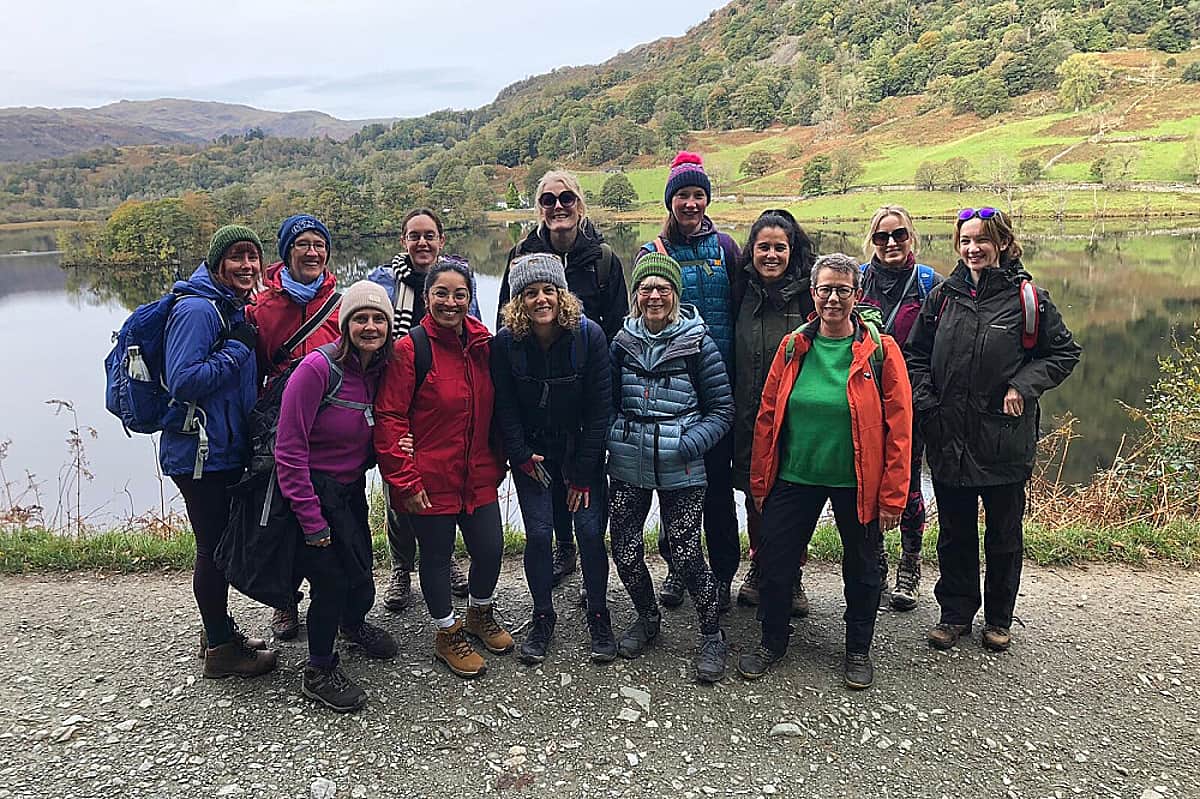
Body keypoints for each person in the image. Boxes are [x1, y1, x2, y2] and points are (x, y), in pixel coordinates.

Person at [907, 207, 1080, 653]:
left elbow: (1062, 354)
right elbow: (914, 355)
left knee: (1003, 536)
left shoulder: (1029, 299)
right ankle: (955, 613)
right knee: (954, 534)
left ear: (1002, 242)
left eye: (981, 239)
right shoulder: (944, 296)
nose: (972, 248)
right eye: (965, 240)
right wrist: (928, 404)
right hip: (948, 437)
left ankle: (999, 618)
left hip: (1003, 438)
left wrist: (1022, 385)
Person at [739, 253, 913, 689]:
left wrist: (893, 496)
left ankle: (858, 649)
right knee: (775, 562)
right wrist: (760, 480)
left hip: (858, 479)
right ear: (813, 294)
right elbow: (767, 416)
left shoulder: (880, 350)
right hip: (796, 474)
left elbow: (900, 427)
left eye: (842, 289)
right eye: (824, 289)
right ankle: (772, 641)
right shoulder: (794, 345)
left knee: (863, 567)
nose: (833, 298)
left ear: (856, 294)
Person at [374, 259, 512, 679]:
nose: (451, 303)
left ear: (470, 298)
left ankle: (478, 613)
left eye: (460, 294)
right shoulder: (409, 349)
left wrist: (503, 458)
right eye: (441, 294)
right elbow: (389, 418)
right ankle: (446, 632)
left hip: (478, 473)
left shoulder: (484, 345)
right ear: (428, 297)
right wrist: (405, 479)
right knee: (435, 557)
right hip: (429, 479)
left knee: (490, 549)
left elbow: (502, 406)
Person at [497, 171, 629, 590]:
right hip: (534, 391)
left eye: (566, 198)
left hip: (588, 385)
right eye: (549, 199)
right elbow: (507, 321)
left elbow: (620, 325)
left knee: (582, 479)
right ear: (539, 208)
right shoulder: (521, 254)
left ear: (580, 204)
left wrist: (599, 380)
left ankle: (587, 567)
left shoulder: (604, 257)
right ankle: (562, 548)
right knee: (548, 486)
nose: (558, 206)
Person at [607, 252, 735, 683]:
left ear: (676, 294)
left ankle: (712, 632)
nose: (655, 295)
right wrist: (613, 436)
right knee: (623, 549)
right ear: (636, 295)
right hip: (628, 463)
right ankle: (648, 617)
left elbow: (721, 409)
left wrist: (688, 444)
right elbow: (605, 402)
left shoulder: (699, 343)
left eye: (663, 287)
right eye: (646, 287)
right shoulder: (621, 343)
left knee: (684, 552)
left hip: (681, 465)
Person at [275, 281, 399, 712]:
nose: (369, 327)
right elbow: (288, 450)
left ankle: (353, 624)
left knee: (361, 571)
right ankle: (318, 668)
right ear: (344, 326)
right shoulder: (316, 370)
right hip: (312, 491)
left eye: (378, 319)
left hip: (349, 492)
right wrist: (310, 519)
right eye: (360, 319)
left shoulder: (379, 370)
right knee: (330, 581)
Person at [163, 225, 276, 679]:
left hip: (220, 447)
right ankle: (222, 650)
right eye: (236, 257)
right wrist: (235, 349)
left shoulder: (227, 306)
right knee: (213, 548)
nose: (247, 265)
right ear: (216, 264)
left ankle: (217, 633)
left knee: (217, 544)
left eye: (253, 257)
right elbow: (183, 380)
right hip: (200, 453)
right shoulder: (198, 310)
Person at [491, 253, 615, 664]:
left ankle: (598, 611)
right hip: (533, 454)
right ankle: (543, 615)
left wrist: (582, 474)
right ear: (518, 300)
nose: (540, 299)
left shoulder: (589, 336)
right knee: (540, 534)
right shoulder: (506, 342)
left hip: (582, 450)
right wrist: (521, 456)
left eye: (548, 290)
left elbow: (601, 410)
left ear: (562, 295)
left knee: (591, 530)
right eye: (530, 293)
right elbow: (504, 407)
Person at [636, 151, 741, 612]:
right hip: (667, 395)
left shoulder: (728, 249)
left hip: (716, 388)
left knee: (716, 491)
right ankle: (680, 570)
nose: (691, 203)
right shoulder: (651, 253)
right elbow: (635, 322)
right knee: (673, 491)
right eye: (683, 195)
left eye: (699, 194)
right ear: (670, 201)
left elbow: (742, 311)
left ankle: (721, 577)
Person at [367, 208, 480, 613]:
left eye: (429, 235)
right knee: (401, 494)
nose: (422, 243)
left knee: (444, 496)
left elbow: (475, 339)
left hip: (444, 407)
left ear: (441, 240)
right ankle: (401, 567)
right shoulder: (383, 282)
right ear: (403, 241)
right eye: (414, 236)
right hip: (397, 401)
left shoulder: (458, 282)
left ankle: (444, 560)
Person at [247, 213, 341, 641]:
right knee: (283, 514)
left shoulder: (340, 302)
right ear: (286, 251)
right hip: (282, 423)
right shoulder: (264, 308)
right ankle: (284, 600)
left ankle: (335, 597)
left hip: (331, 423)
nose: (312, 252)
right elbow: (257, 365)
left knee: (335, 509)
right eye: (302, 244)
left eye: (318, 244)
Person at [859, 205, 944, 611]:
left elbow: (943, 348)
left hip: (910, 406)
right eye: (881, 237)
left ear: (912, 237)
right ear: (871, 241)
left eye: (898, 235)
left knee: (908, 486)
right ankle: (873, 559)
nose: (890, 243)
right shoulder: (856, 281)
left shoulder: (930, 285)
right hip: (860, 404)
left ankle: (910, 562)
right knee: (863, 484)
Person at [731, 210, 815, 615]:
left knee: (793, 498)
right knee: (755, 497)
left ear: (791, 250)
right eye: (763, 247)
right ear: (753, 250)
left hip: (797, 419)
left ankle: (791, 575)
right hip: (748, 415)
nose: (770, 255)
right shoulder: (740, 290)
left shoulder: (809, 295)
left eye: (779, 247)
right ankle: (761, 566)